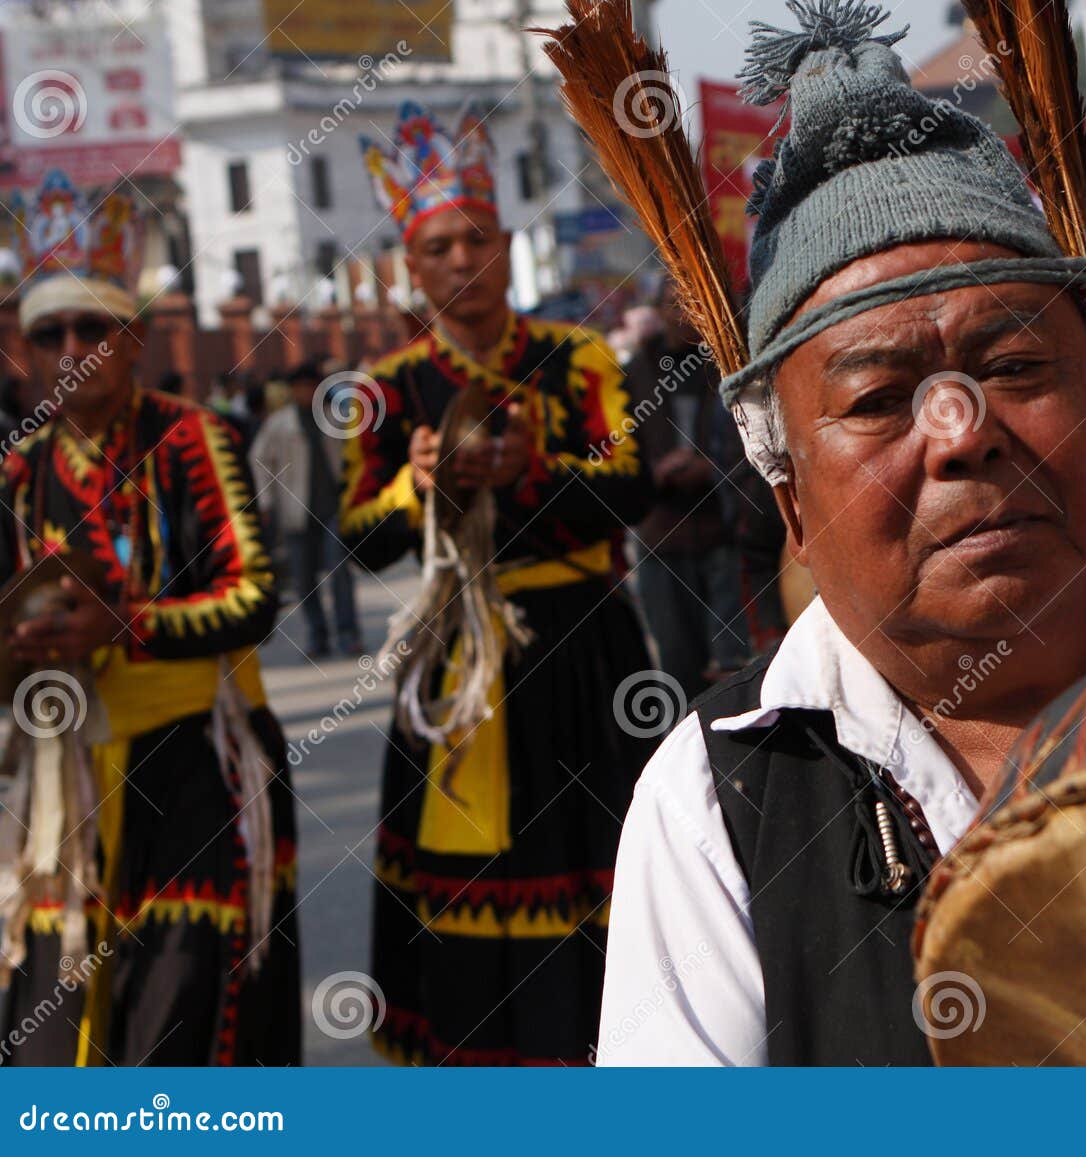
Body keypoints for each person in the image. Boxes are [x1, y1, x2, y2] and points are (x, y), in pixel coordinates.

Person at [594, 2, 1086, 1066]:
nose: (961, 434)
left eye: (1017, 367)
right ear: (791, 501)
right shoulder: (717, 803)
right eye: (880, 396)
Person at [345, 101, 656, 1065]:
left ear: (509, 246)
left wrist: (535, 468)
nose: (459, 260)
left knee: (599, 862)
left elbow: (629, 488)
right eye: (437, 245)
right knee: (460, 876)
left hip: (581, 648)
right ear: (409, 263)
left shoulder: (578, 360)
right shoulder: (388, 389)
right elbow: (361, 537)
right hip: (454, 665)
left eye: (477, 238)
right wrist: (419, 483)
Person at [0, 170, 300, 1065]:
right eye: (49, 331)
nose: (72, 346)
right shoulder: (20, 474)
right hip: (62, 782)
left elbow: (254, 597)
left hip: (193, 768)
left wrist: (121, 624)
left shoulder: (191, 438)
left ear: (133, 338)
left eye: (94, 325)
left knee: (176, 1026)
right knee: (51, 1031)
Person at [626, 282, 750, 699]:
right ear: (657, 310)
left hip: (723, 536)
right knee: (678, 669)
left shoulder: (728, 366)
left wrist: (711, 470)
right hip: (662, 540)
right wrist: (652, 473)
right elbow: (617, 451)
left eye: (689, 305)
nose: (680, 315)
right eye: (671, 305)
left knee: (732, 670)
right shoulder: (635, 372)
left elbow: (752, 447)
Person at [250, 361, 363, 657]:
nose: (304, 392)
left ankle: (348, 633)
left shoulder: (335, 418)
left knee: (339, 572)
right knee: (304, 578)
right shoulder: (279, 424)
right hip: (295, 509)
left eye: (309, 386)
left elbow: (355, 455)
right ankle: (317, 635)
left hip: (332, 508)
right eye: (298, 387)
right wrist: (265, 500)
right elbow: (259, 461)